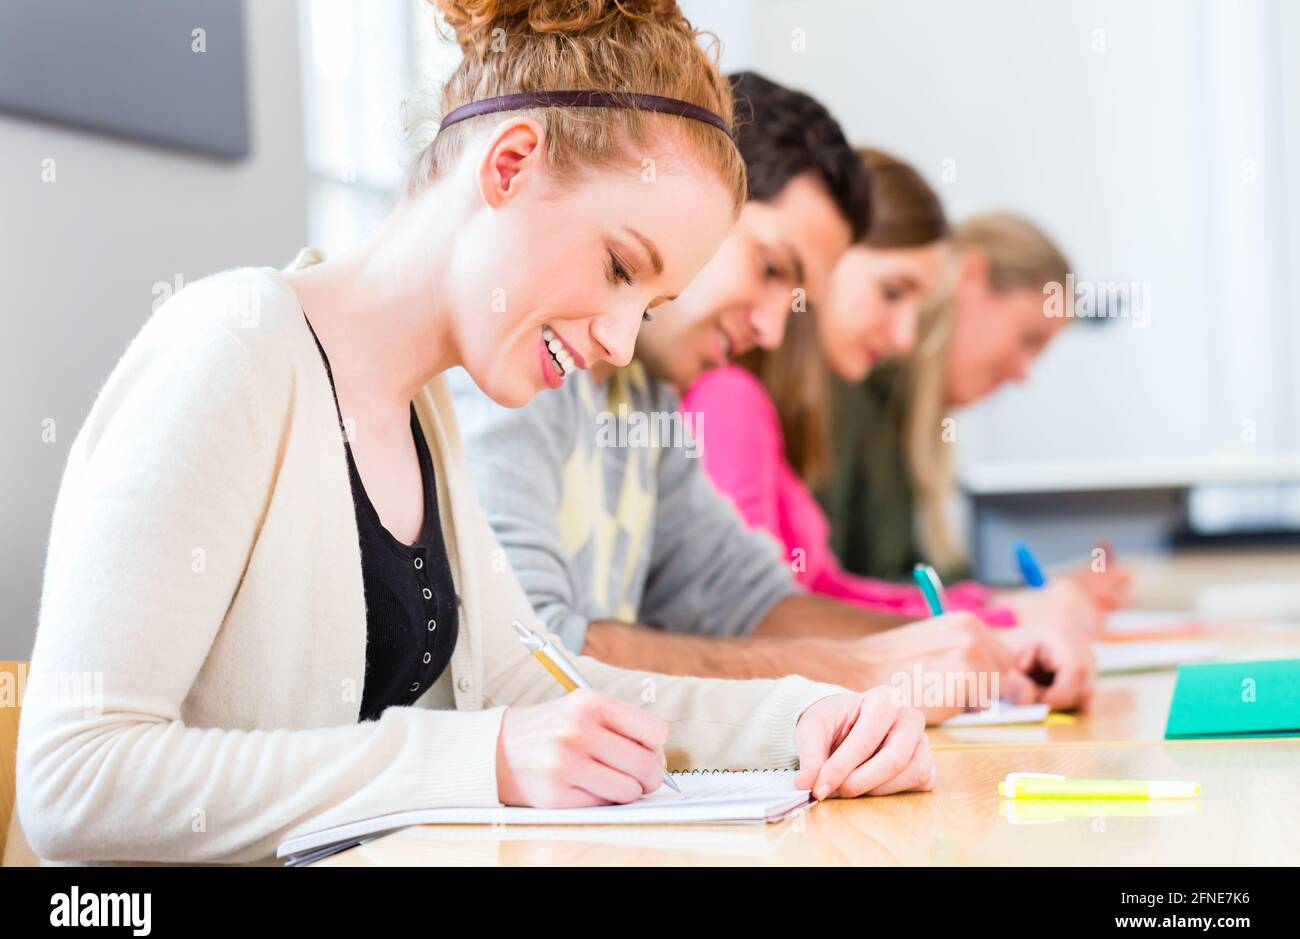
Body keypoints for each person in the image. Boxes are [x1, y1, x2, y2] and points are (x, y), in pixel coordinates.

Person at [17, 0, 934, 866]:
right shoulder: (234, 348)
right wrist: (473, 760)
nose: (618, 343)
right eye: (619, 265)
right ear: (509, 164)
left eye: (649, 306)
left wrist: (808, 717)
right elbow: (74, 781)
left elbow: (541, 691)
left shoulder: (424, 415)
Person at [451, 75, 1075, 719]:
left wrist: (982, 652)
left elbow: (752, 606)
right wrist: (861, 670)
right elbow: (535, 654)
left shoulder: (645, 400)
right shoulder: (520, 364)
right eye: (773, 269)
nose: (774, 330)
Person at [820, 211, 1132, 617]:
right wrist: (1010, 608)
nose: (1023, 374)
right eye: (1028, 339)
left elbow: (915, 587)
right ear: (969, 276)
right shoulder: (850, 392)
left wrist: (1037, 597)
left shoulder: (900, 415)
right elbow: (823, 599)